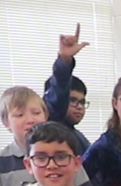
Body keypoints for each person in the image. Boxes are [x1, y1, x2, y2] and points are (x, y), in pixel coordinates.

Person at [43, 24, 92, 155]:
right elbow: (59, 89)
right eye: (73, 100)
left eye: (82, 102)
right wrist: (64, 60)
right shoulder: (51, 130)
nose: (79, 107)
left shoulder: (78, 136)